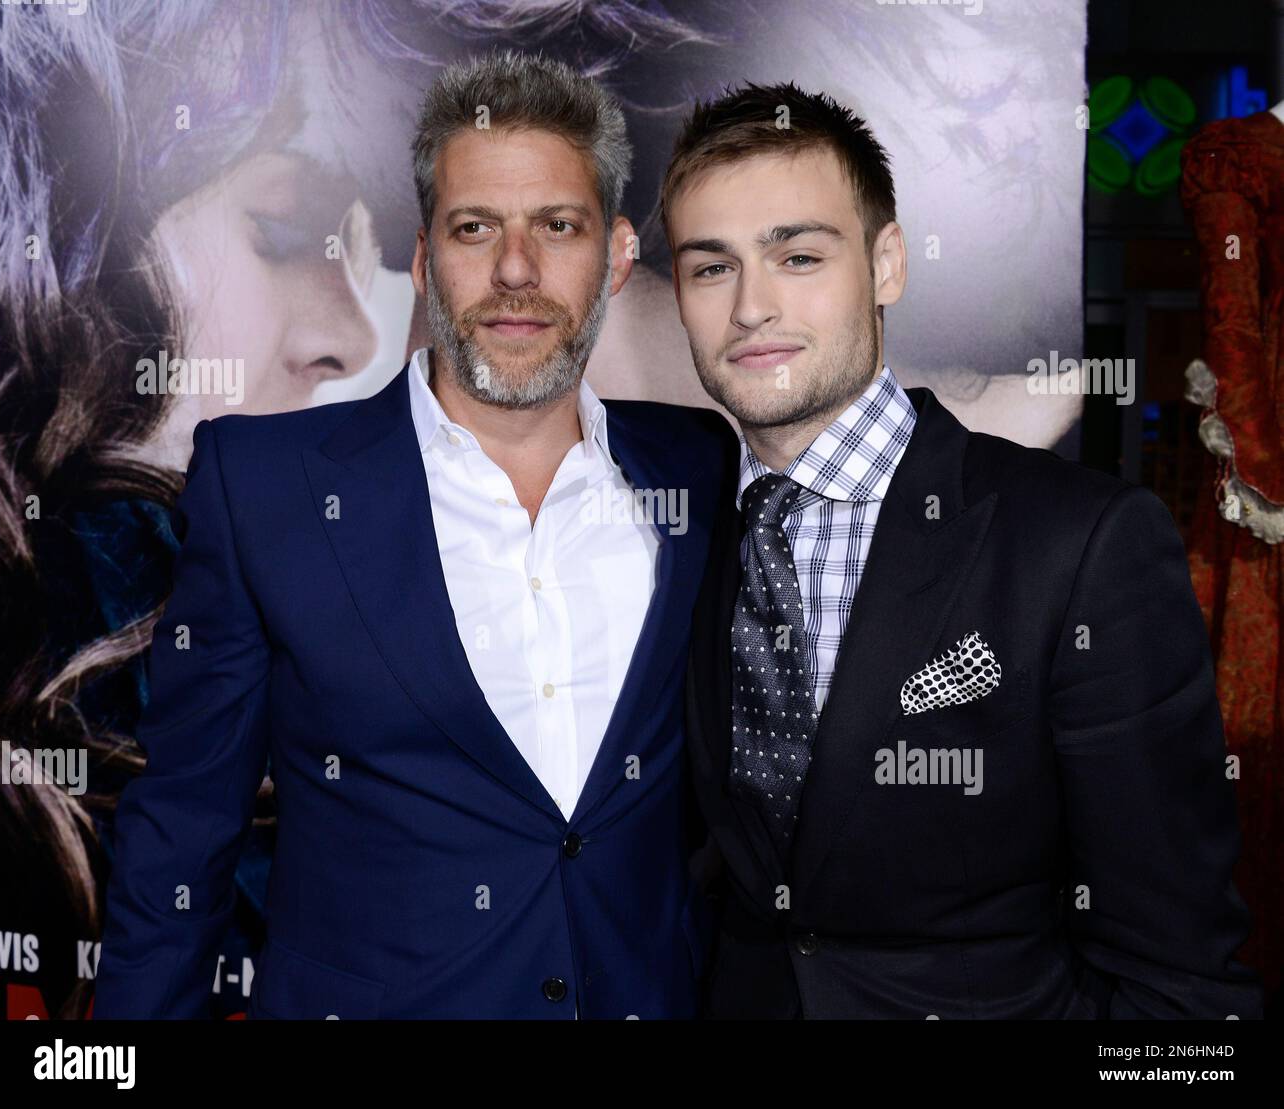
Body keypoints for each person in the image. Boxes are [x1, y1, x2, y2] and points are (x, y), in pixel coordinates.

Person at [92, 50, 732, 1020]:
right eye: (476, 228)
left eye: (557, 227)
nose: (515, 271)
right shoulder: (265, 488)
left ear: (615, 256)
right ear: (428, 260)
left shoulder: (694, 466)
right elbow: (181, 834)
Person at [663, 81, 1263, 1019]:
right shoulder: (684, 521)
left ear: (888, 262)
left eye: (800, 255)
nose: (752, 306)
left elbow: (1184, 988)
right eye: (711, 268)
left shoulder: (1082, 544)